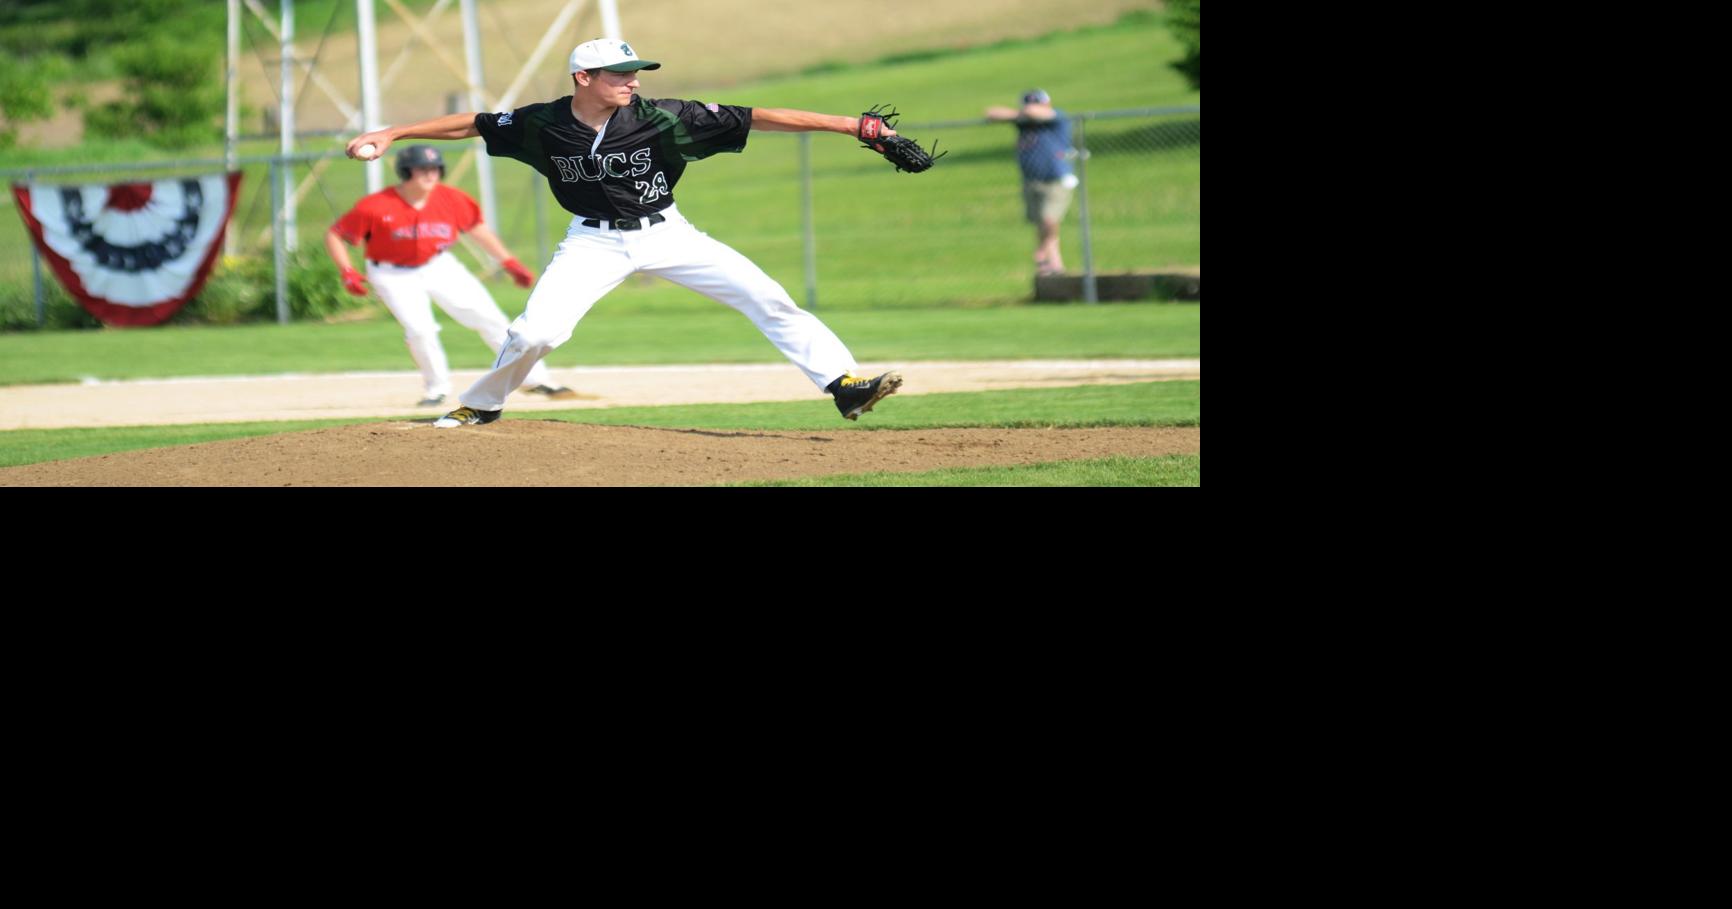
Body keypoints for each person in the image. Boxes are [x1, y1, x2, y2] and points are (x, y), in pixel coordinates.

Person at [344, 38, 902, 429]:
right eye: (618, 73)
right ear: (584, 78)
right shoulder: (544, 122)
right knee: (536, 333)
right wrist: (394, 132)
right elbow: (474, 124)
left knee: (767, 297)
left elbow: (755, 116)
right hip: (593, 241)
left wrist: (852, 126)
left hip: (669, 233)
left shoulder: (662, 116)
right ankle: (483, 404)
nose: (632, 81)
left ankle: (843, 385)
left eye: (634, 72)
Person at [324, 144, 578, 407]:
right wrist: (347, 271)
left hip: (438, 265)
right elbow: (335, 234)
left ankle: (535, 380)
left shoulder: (451, 198)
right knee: (420, 330)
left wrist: (509, 262)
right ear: (406, 171)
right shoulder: (376, 205)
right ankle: (436, 388)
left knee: (490, 317)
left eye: (435, 168)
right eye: (421, 168)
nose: (430, 174)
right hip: (391, 273)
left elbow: (478, 229)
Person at [985, 89, 1078, 276]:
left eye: (1038, 103)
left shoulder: (1057, 117)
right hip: (1032, 181)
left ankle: (1045, 258)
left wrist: (1023, 114)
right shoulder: (1022, 121)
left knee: (1049, 220)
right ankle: (1051, 265)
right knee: (1041, 224)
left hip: (1056, 179)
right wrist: (1019, 116)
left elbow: (1036, 113)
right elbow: (991, 113)